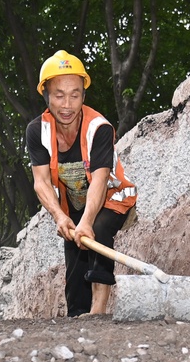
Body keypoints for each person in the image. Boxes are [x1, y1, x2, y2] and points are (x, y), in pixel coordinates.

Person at [26, 51, 136, 318]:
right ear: (46, 96)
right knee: (74, 264)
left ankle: (98, 312)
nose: (67, 104)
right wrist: (60, 216)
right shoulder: (36, 131)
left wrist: (86, 221)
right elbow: (40, 183)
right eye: (59, 95)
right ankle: (77, 319)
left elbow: (99, 181)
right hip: (73, 204)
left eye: (75, 95)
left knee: (98, 228)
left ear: (83, 96)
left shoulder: (99, 128)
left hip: (112, 198)